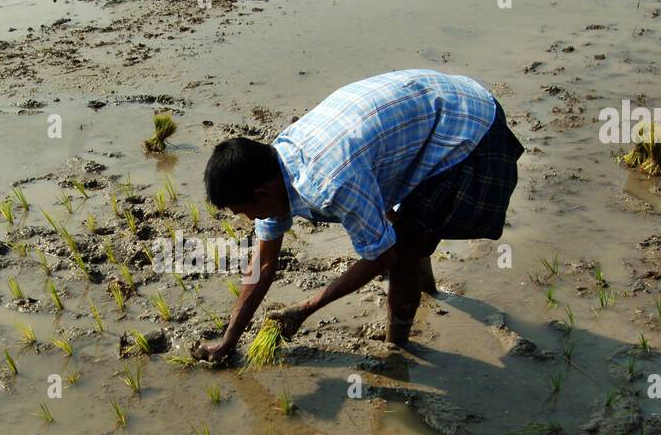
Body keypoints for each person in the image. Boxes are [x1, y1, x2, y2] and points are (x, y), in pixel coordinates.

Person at [191, 68, 523, 364]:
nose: (250, 220)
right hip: (423, 113)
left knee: (404, 249)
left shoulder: (332, 182)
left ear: (261, 194)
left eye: (246, 212)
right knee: (407, 227)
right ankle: (425, 286)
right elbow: (263, 266)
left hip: (467, 121)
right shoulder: (273, 168)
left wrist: (305, 309)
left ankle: (399, 351)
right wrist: (228, 339)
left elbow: (381, 256)